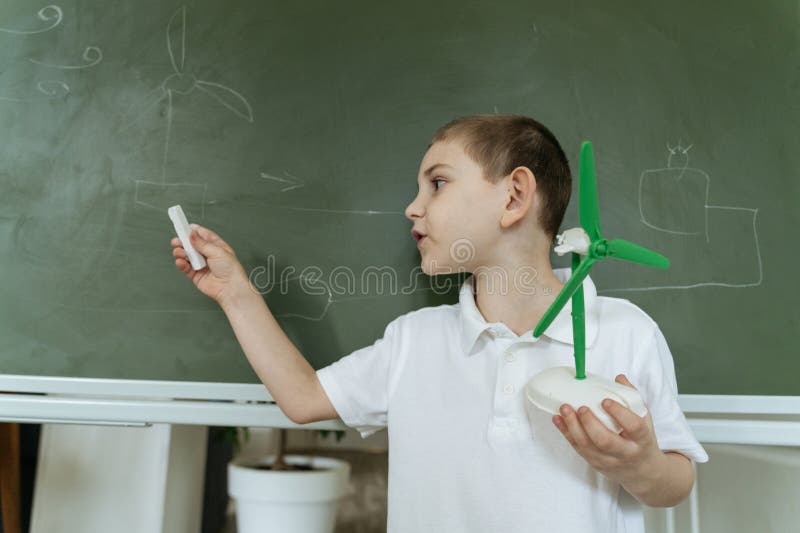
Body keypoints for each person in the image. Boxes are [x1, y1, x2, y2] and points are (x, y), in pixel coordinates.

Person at [171, 114, 708, 532]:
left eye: (437, 183)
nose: (413, 207)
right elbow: (303, 396)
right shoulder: (415, 341)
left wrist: (640, 466)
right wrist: (235, 293)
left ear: (514, 196)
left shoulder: (625, 333)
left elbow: (675, 482)